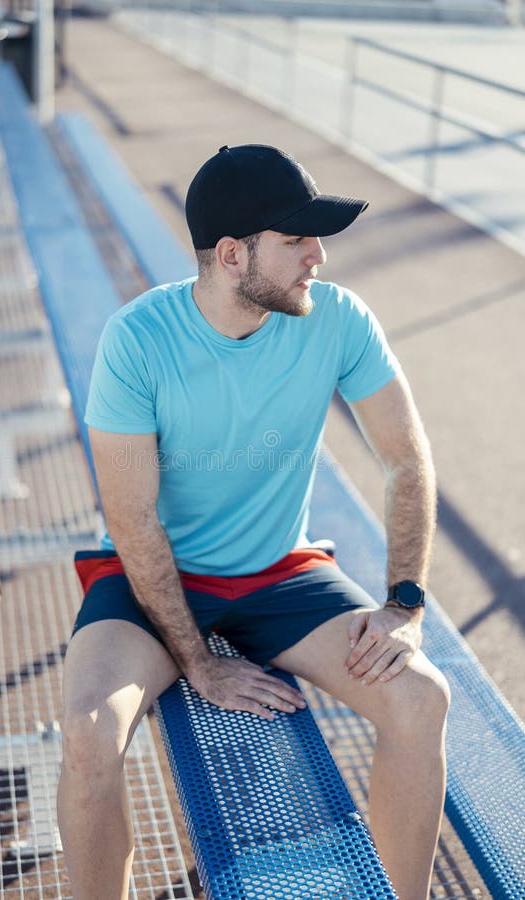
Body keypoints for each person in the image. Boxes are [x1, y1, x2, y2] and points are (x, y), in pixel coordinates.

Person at [57, 143, 450, 900]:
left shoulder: (338, 320)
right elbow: (134, 522)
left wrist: (403, 604)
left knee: (421, 697)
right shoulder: (138, 341)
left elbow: (407, 458)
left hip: (279, 572)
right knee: (88, 733)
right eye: (297, 239)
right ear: (233, 254)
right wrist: (197, 661)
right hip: (150, 578)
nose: (319, 257)